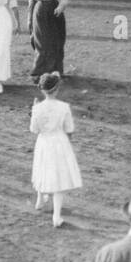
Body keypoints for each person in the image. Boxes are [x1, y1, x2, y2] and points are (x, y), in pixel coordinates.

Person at [30, 71, 83, 227]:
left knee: (42, 169)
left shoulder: (37, 108)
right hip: (59, 142)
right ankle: (56, 216)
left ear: (42, 90)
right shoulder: (64, 107)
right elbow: (69, 128)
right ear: (57, 89)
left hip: (44, 142)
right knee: (59, 178)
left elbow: (34, 129)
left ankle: (40, 199)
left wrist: (34, 111)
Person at [28, 0, 69, 81]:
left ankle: (55, 71)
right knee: (40, 41)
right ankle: (39, 72)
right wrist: (29, 18)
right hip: (39, 11)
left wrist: (60, 7)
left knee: (56, 41)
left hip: (54, 11)